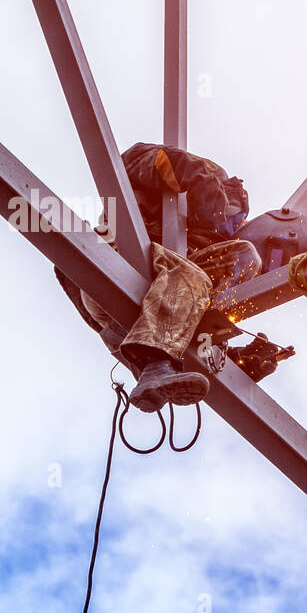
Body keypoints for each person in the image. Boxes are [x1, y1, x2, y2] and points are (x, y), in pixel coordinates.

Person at [56, 142, 270, 412]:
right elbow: (142, 162)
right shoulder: (178, 177)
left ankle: (156, 368)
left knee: (237, 259)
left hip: (143, 317)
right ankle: (155, 362)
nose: (223, 223)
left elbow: (199, 316)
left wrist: (241, 363)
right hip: (121, 269)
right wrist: (202, 182)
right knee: (194, 275)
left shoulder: (201, 254)